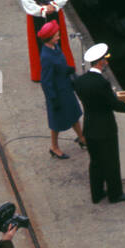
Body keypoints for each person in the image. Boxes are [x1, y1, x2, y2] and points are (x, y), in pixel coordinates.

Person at [72, 43, 125, 205]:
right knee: (111, 162)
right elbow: (114, 105)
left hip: (90, 128)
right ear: (100, 62)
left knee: (95, 162)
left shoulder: (80, 82)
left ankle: (97, 194)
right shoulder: (102, 83)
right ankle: (115, 194)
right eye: (105, 60)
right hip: (105, 129)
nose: (107, 62)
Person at [18, 0, 75, 81]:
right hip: (36, 17)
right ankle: (43, 73)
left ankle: (62, 69)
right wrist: (43, 10)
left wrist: (54, 6)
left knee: (59, 41)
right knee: (40, 45)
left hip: (54, 13)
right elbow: (27, 2)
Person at [37, 20, 85, 159]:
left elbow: (59, 66)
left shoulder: (55, 48)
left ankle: (81, 137)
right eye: (56, 35)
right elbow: (46, 81)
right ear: (49, 38)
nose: (58, 37)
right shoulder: (46, 57)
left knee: (74, 114)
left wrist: (67, 70)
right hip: (57, 94)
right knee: (56, 122)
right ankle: (54, 147)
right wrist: (53, 98)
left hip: (66, 89)